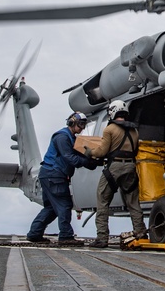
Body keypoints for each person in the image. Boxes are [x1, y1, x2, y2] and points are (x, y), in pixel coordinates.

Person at [26, 111, 97, 246]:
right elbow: (69, 157)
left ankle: (35, 233)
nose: (82, 128)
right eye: (80, 124)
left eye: (84, 125)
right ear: (72, 123)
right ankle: (65, 236)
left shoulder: (70, 138)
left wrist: (92, 161)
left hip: (49, 174)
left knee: (51, 208)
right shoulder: (62, 137)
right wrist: (88, 163)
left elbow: (77, 154)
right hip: (54, 175)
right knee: (64, 205)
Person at [84, 99, 147, 248]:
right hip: (131, 167)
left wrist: (89, 152)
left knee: (103, 200)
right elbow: (136, 150)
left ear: (112, 112)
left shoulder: (109, 129)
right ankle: (141, 233)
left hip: (114, 168)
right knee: (133, 202)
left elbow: (102, 151)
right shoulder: (134, 131)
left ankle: (102, 238)